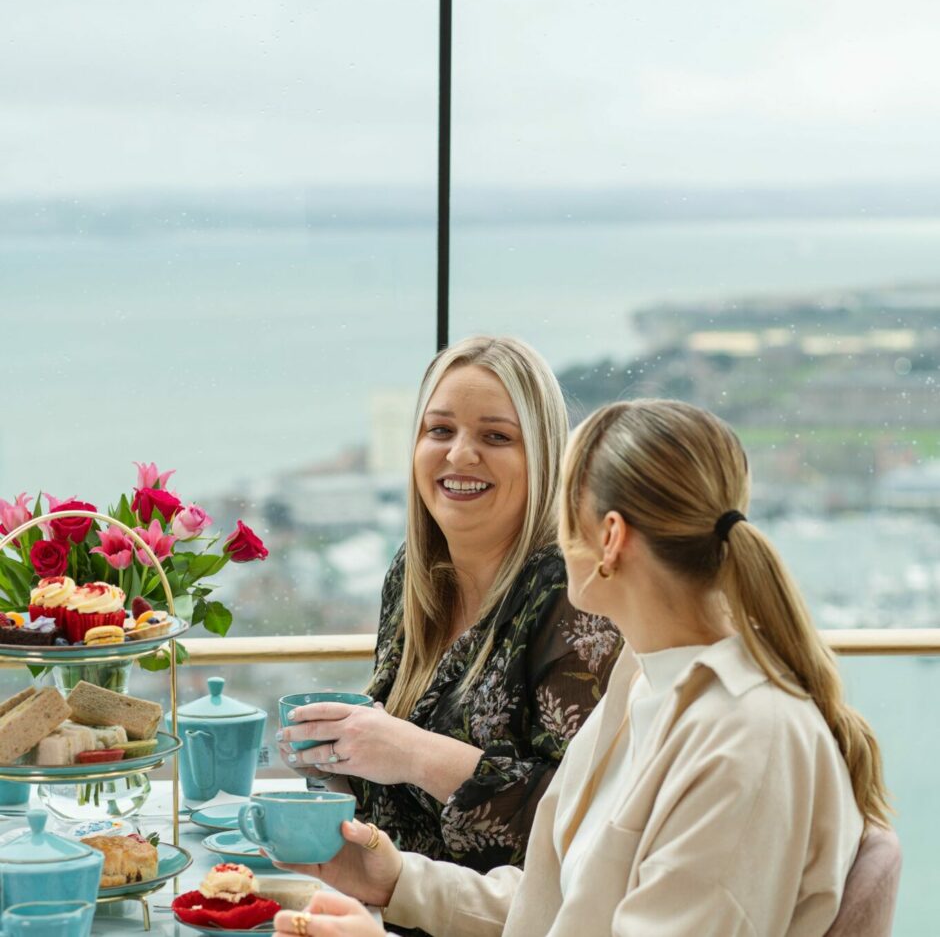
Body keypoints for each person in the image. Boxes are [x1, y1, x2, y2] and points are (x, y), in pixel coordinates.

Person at [271, 398, 890, 937]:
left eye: (564, 511)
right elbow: (562, 903)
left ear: (611, 538)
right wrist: (398, 880)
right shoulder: (641, 687)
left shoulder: (746, 744)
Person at [277, 336, 622, 875]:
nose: (459, 453)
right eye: (440, 430)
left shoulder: (577, 596)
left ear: (544, 454)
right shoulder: (412, 573)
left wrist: (411, 751)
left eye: (496, 435)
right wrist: (335, 763)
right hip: (387, 903)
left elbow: (584, 825)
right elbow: (400, 800)